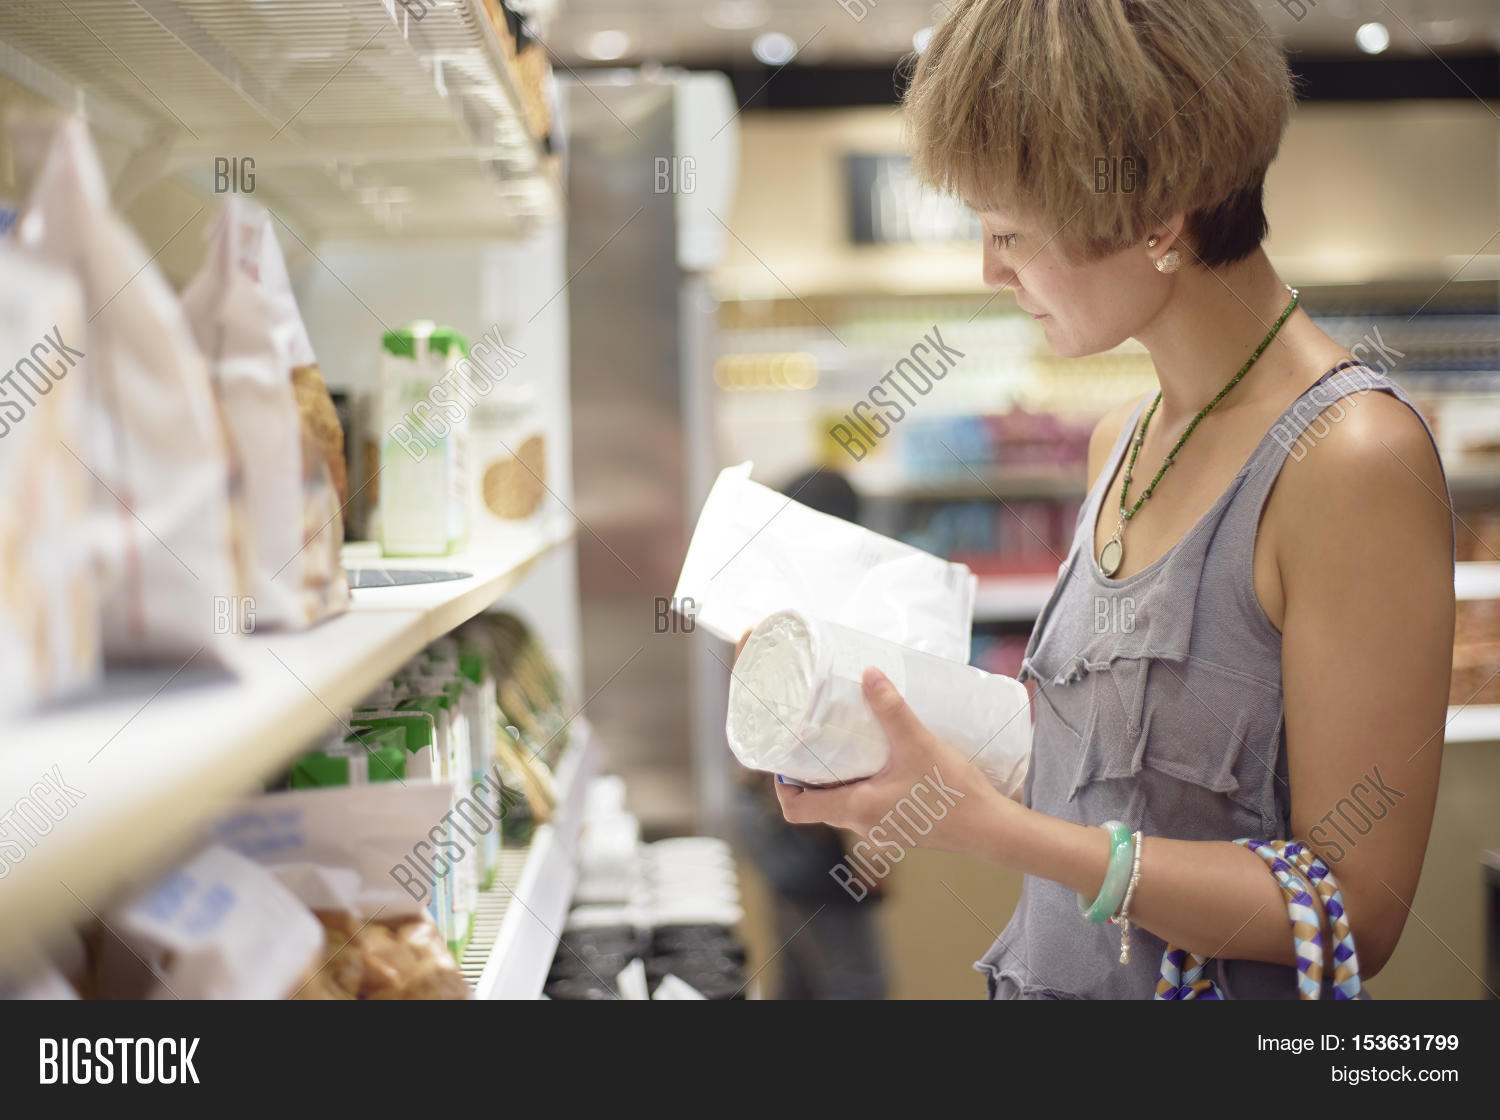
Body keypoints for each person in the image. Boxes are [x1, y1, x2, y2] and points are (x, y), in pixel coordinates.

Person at [771, 0, 1454, 998]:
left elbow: (1352, 910)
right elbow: (1114, 773)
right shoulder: (1119, 441)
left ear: (1158, 219)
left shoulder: (1350, 460)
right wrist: (873, 721)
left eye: (1010, 230)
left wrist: (1007, 834)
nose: (989, 268)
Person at [731, 469, 890, 1000]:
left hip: (777, 827)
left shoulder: (780, 609)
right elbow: (844, 745)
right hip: (822, 844)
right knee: (854, 979)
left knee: (798, 973)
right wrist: (871, 843)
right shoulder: (841, 617)